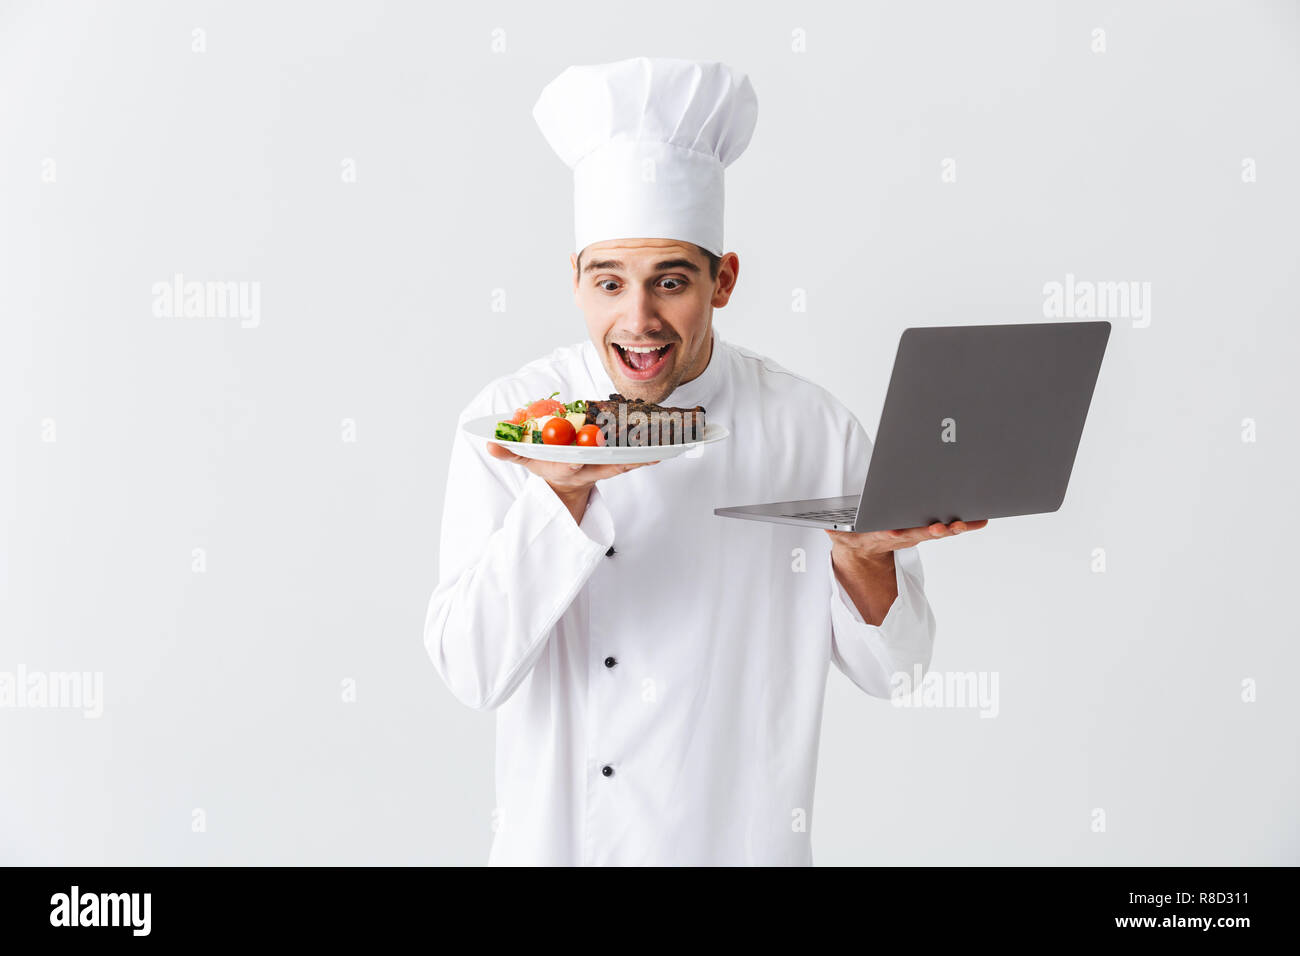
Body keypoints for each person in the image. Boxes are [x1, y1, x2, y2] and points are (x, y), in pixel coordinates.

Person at [423, 56, 987, 866]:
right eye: (609, 283)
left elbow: (898, 676)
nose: (638, 320)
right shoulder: (518, 425)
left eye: (670, 282)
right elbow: (470, 671)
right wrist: (560, 500)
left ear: (723, 282)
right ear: (575, 282)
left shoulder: (813, 430)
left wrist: (864, 563)